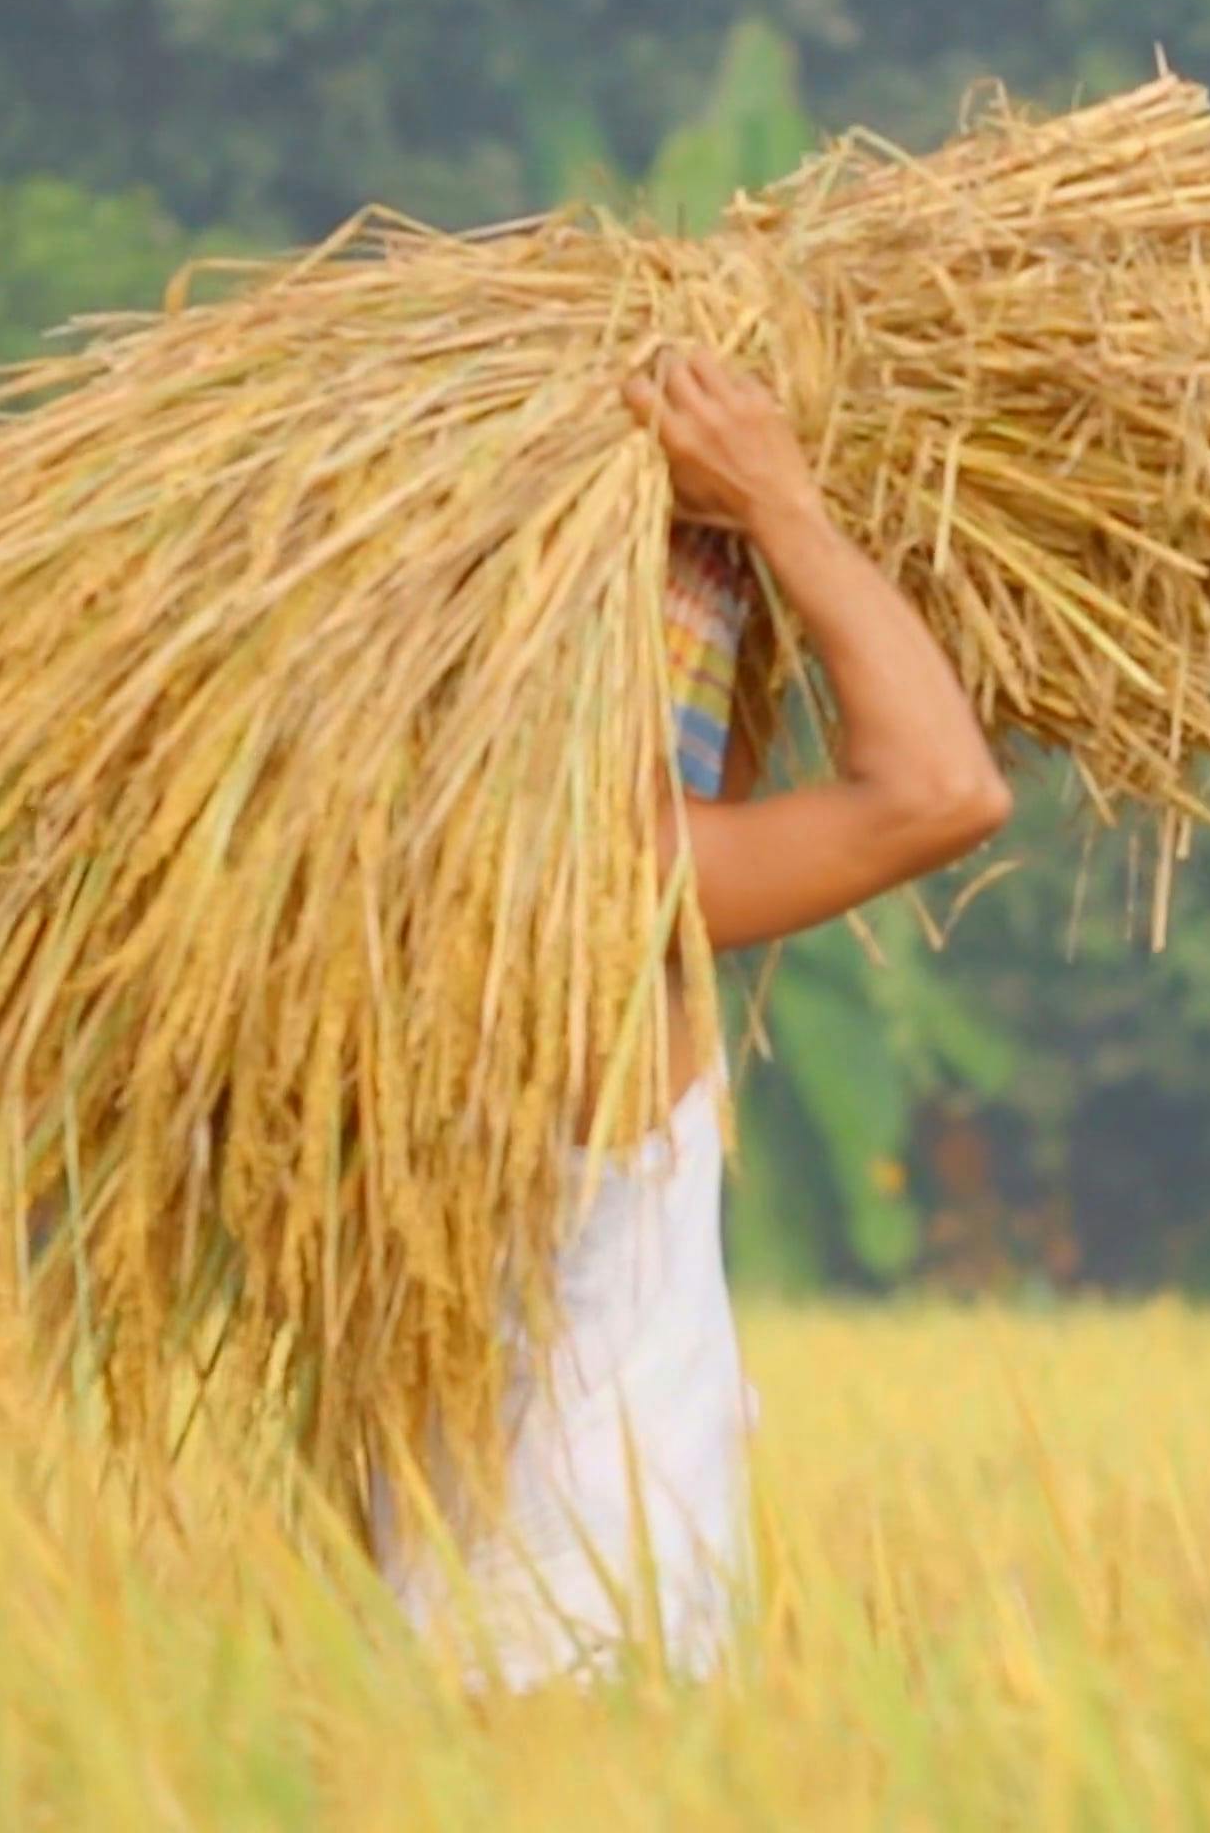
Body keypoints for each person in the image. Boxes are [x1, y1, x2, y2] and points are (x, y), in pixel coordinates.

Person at [365, 344, 1011, 1691]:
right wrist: (782, 510)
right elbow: (943, 789)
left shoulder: (360, 888)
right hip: (586, 1636)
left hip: (444, 1627)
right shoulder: (585, 875)